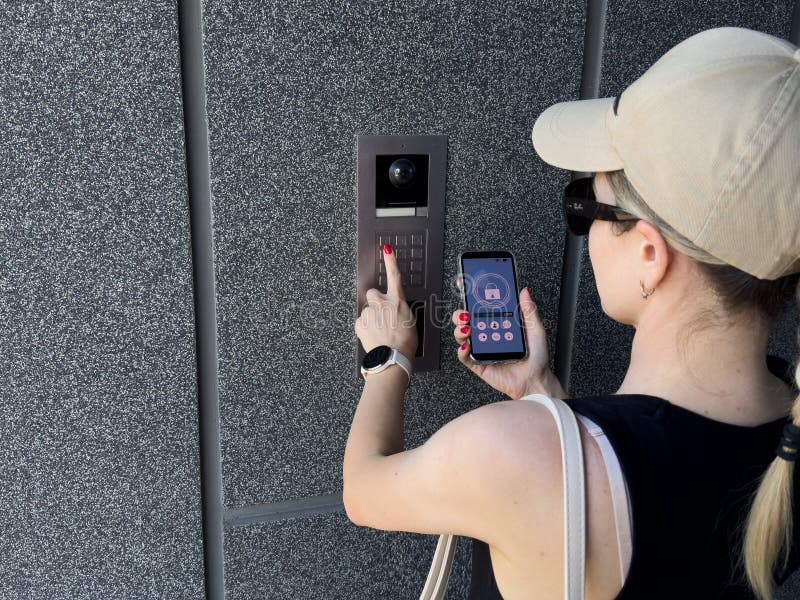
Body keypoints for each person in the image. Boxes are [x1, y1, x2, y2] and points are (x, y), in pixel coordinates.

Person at [343, 27, 800, 599]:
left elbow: (362, 493)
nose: (584, 227)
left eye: (585, 205)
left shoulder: (509, 454)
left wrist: (388, 358)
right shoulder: (792, 426)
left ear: (650, 255)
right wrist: (545, 400)